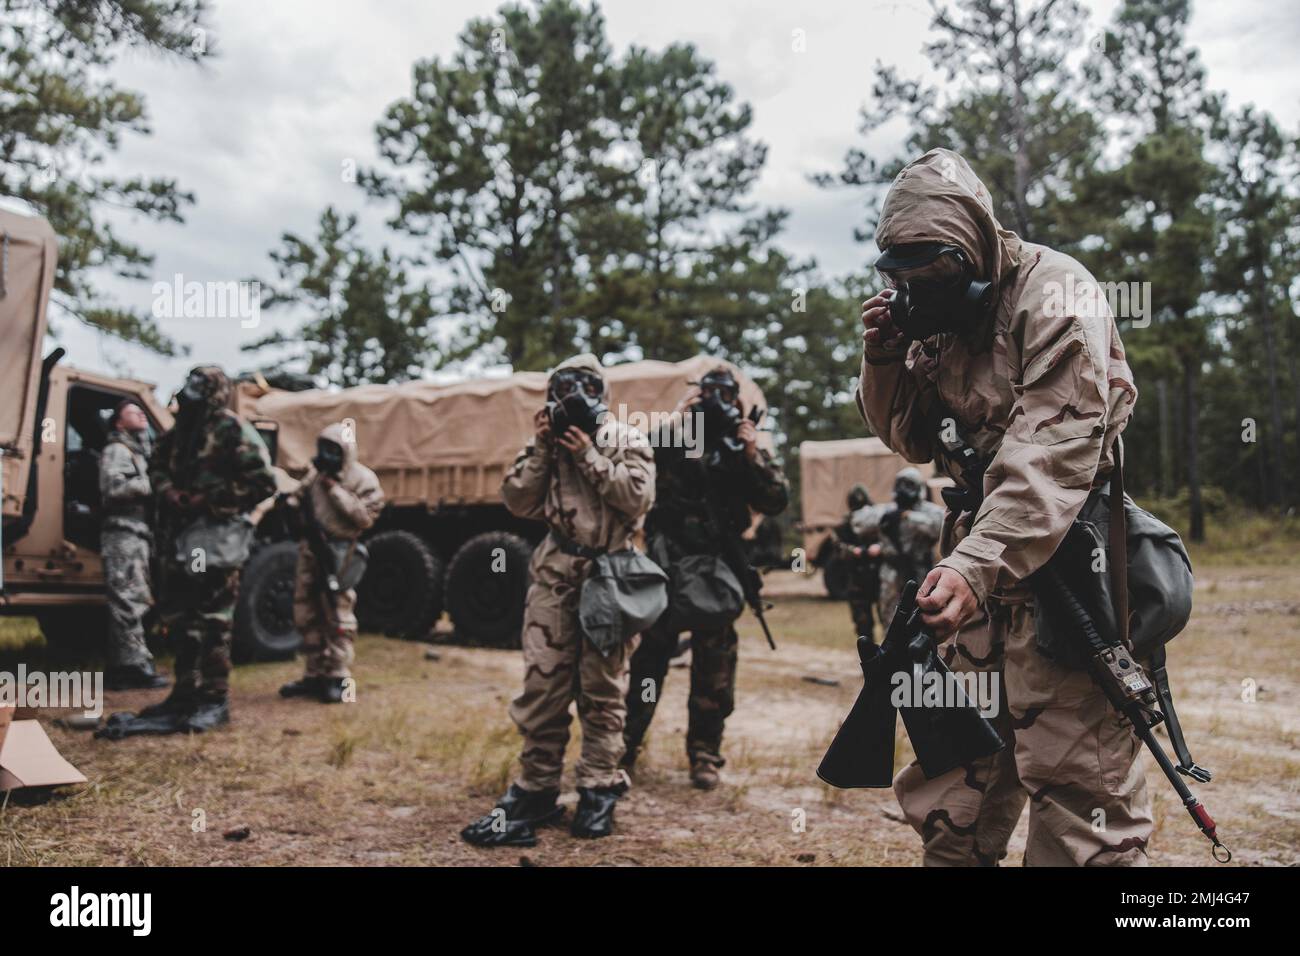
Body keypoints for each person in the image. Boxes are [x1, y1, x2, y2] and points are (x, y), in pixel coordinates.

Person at [856, 148, 1146, 866]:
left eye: (936, 273)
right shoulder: (936, 316)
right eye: (905, 277)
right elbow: (911, 439)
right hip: (977, 587)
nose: (921, 291)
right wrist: (886, 359)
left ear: (974, 244)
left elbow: (1051, 455)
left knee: (1082, 806)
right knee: (957, 793)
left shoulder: (1054, 293)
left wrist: (975, 564)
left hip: (1063, 574)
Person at [461, 354, 655, 846]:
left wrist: (589, 454)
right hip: (555, 575)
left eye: (580, 388)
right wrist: (545, 447)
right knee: (543, 682)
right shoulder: (545, 444)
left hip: (609, 576)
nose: (569, 397)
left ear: (600, 393)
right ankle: (536, 788)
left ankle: (598, 788)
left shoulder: (625, 438)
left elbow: (635, 499)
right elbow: (517, 500)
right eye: (560, 389)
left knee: (603, 687)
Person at [620, 366, 789, 790]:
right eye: (708, 392)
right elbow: (639, 464)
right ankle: (623, 747)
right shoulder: (674, 437)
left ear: (736, 400)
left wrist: (751, 454)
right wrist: (678, 420)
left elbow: (776, 500)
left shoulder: (740, 445)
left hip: (716, 568)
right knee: (648, 663)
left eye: (724, 394)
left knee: (714, 668)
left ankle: (704, 754)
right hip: (666, 567)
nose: (716, 400)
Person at [97, 366, 276, 738]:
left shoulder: (230, 429)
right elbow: (157, 468)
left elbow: (263, 482)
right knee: (181, 619)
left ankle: (214, 699)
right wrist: (169, 493)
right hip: (179, 542)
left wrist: (208, 500)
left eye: (200, 386)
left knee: (213, 621)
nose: (191, 392)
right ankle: (184, 695)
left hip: (214, 539)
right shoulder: (180, 433)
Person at [279, 423, 385, 704]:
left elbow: (364, 518)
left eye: (333, 450)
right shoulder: (315, 475)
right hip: (311, 549)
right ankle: (314, 673)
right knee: (306, 611)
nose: (325, 455)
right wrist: (290, 505)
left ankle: (338, 676)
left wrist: (335, 490)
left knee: (338, 615)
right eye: (322, 447)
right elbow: (297, 496)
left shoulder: (364, 479)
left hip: (339, 552)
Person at [99, 400, 168, 690]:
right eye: (132, 411)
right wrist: (150, 482)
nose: (140, 413)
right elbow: (112, 487)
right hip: (123, 533)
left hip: (137, 534)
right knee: (128, 598)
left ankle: (129, 663)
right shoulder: (117, 450)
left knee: (135, 596)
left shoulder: (139, 451)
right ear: (118, 422)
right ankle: (131, 667)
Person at [850, 467, 943, 622]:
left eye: (909, 485)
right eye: (901, 484)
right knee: (890, 617)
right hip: (891, 572)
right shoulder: (888, 509)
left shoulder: (928, 510)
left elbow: (939, 526)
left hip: (920, 571)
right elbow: (858, 522)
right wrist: (885, 517)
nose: (904, 489)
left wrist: (907, 517)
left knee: (923, 616)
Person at [835, 483, 879, 640]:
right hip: (857, 579)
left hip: (878, 576)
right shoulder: (845, 524)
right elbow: (839, 547)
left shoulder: (877, 519)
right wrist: (853, 551)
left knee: (890, 620)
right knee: (863, 625)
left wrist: (879, 548)